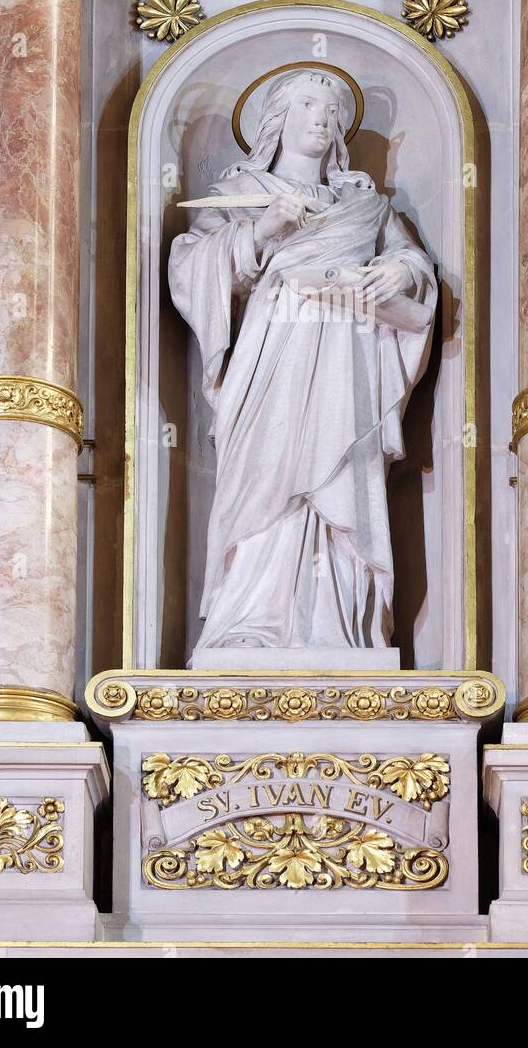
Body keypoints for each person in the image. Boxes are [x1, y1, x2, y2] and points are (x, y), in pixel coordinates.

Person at [168, 68, 436, 654]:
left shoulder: (366, 204)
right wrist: (262, 229)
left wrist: (402, 269)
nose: (324, 116)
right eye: (309, 103)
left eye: (334, 108)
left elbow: (413, 267)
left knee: (342, 472)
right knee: (267, 473)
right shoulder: (238, 195)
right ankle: (251, 622)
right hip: (273, 357)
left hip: (347, 353)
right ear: (278, 118)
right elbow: (188, 268)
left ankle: (338, 630)